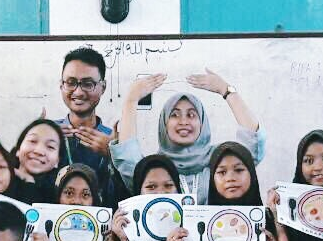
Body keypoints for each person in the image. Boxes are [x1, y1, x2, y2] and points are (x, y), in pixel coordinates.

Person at [112, 72, 264, 203]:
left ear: (202, 122)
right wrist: (131, 101)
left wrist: (227, 92)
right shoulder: (154, 170)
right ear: (164, 124)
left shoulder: (219, 163)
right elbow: (127, 158)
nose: (183, 122)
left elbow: (252, 144)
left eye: (191, 115)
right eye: (174, 115)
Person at [57, 48, 125, 205]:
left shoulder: (114, 142)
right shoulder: (48, 135)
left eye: (88, 84)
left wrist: (115, 156)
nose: (79, 92)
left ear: (103, 87)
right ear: (61, 85)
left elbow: (131, 191)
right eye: (71, 83)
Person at [12, 119, 67, 204]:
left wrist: (29, 183)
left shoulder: (59, 197)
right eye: (32, 141)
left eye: (50, 147)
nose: (39, 151)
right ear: (18, 149)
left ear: (58, 161)